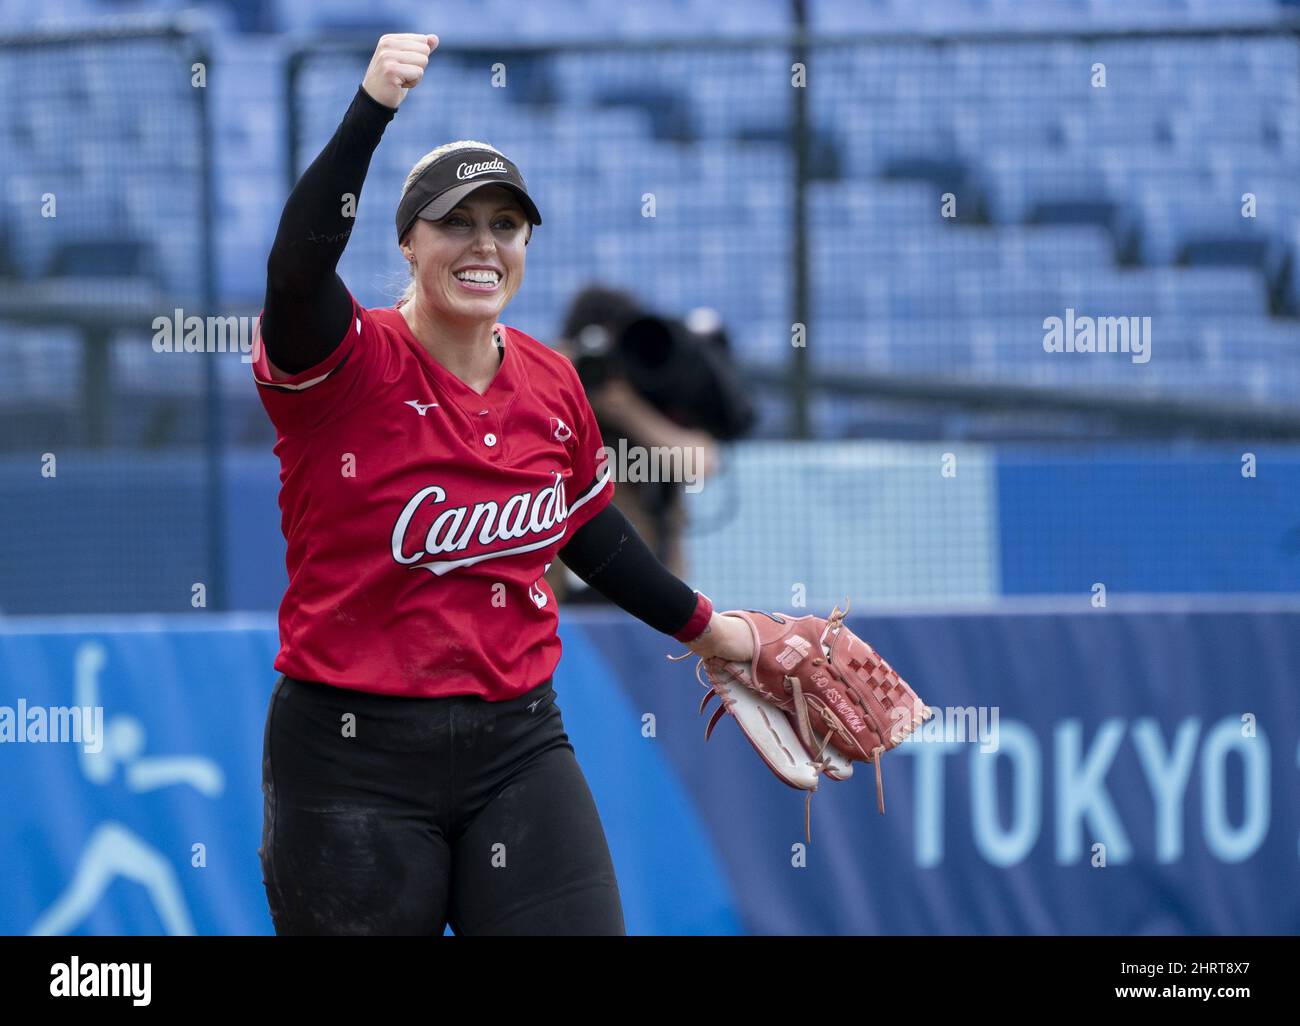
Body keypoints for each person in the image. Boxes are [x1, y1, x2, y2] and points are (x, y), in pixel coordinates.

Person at [251, 32, 753, 935]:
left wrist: (713, 631)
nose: (484, 244)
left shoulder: (552, 381)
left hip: (516, 744)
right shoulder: (345, 361)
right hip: (349, 754)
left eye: (505, 225)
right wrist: (370, 111)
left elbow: (587, 532)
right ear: (407, 241)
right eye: (456, 221)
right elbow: (294, 268)